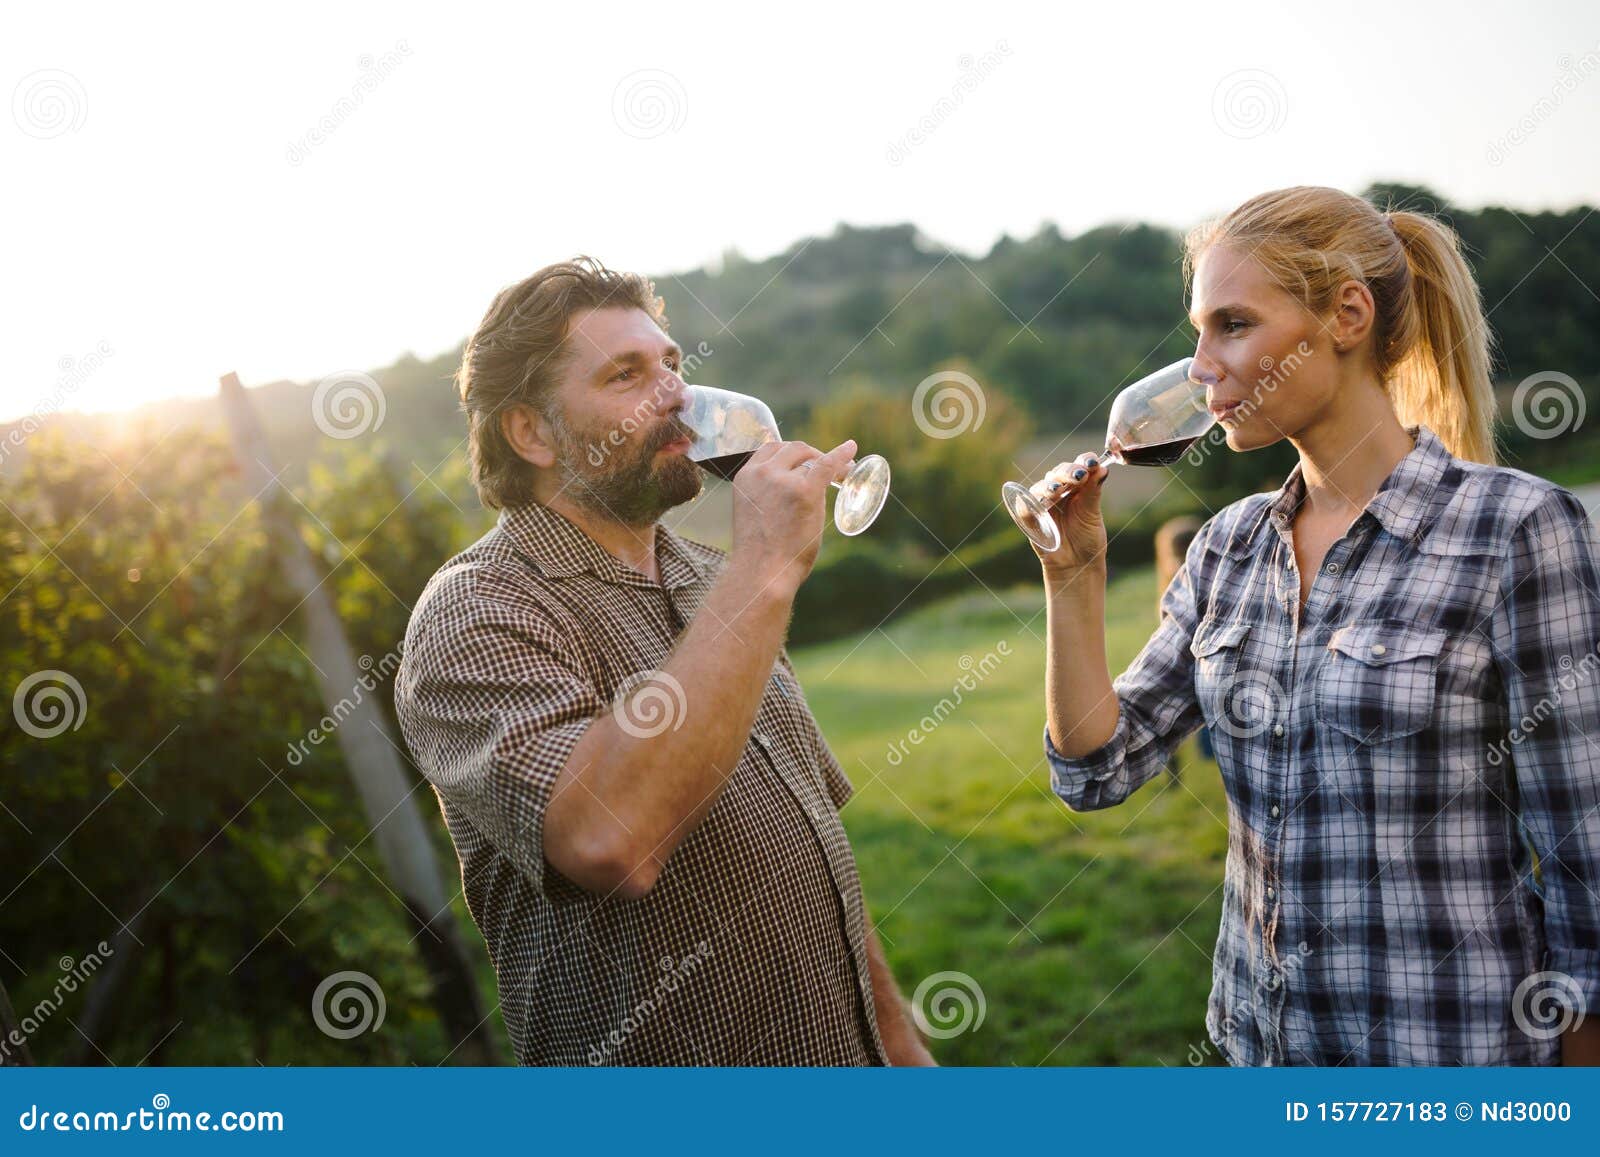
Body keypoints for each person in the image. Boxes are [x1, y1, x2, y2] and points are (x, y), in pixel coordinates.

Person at [1033, 187, 1600, 1065]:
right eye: (1197, 330)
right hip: (1260, 1056)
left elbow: (1586, 856)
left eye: (1232, 324)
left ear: (1345, 314)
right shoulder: (1226, 549)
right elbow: (1095, 769)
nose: (1200, 366)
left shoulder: (1518, 530)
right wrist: (1072, 577)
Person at [393, 258, 933, 1066]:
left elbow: (812, 845)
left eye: (673, 364)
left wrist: (902, 1050)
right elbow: (612, 840)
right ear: (531, 431)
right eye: (626, 375)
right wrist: (767, 569)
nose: (675, 394)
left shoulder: (711, 574)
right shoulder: (475, 612)